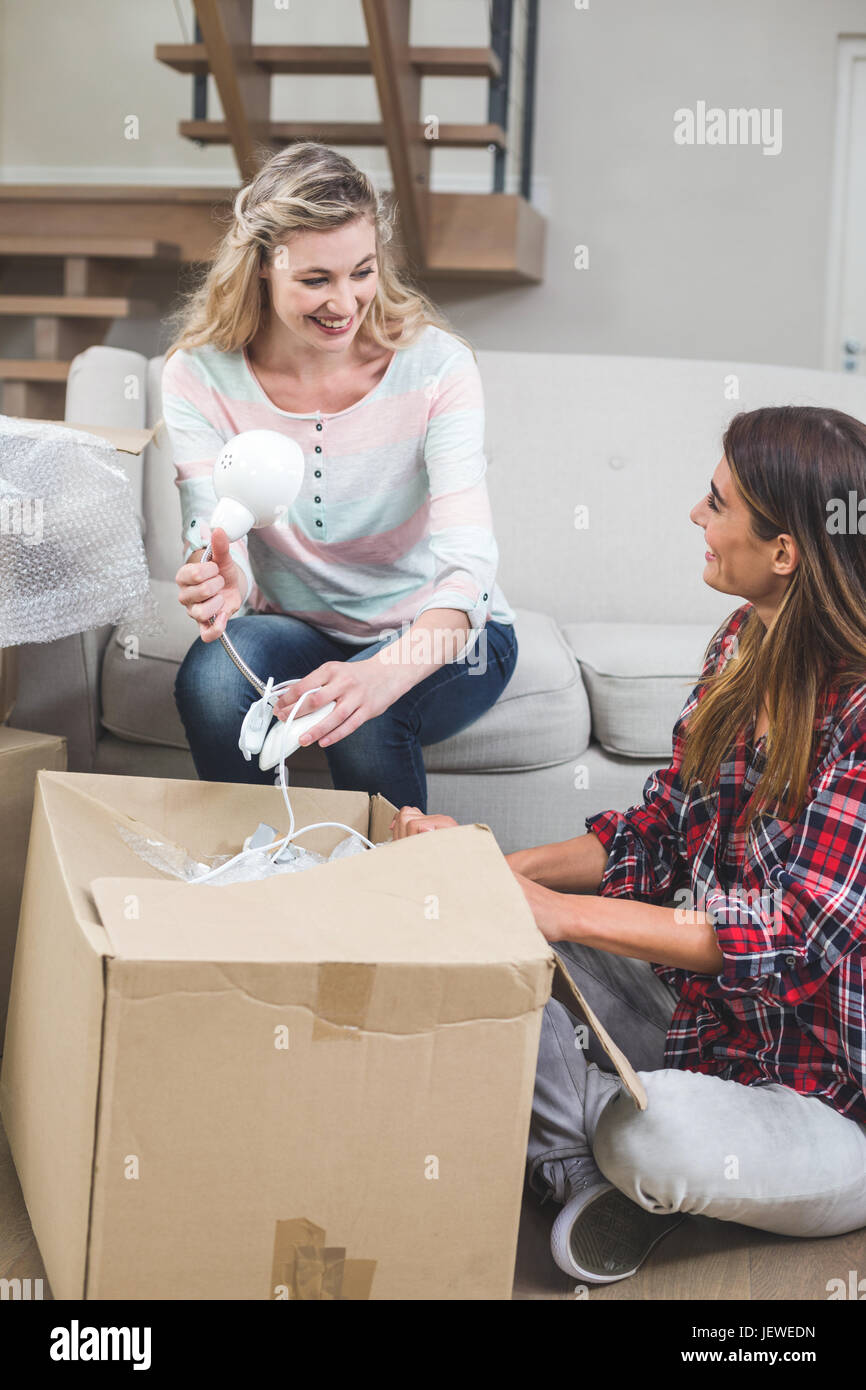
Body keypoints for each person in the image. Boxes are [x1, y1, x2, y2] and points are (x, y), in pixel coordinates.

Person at [392, 405, 866, 1284]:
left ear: (786, 553)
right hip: (700, 1022)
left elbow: (790, 933)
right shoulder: (739, 646)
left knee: (654, 1136)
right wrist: (494, 874)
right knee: (493, 933)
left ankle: (597, 1144)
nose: (696, 515)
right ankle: (580, 1170)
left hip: (824, 1102)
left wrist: (561, 914)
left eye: (717, 503)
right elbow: (655, 836)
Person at [161, 142, 517, 809]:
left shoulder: (438, 368)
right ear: (263, 268)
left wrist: (381, 675)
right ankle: (257, 872)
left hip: (444, 629)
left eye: (362, 272)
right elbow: (213, 530)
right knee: (210, 683)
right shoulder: (198, 375)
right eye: (316, 280)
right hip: (296, 624)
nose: (346, 302)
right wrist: (221, 579)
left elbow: (469, 568)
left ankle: (394, 904)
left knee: (364, 717)